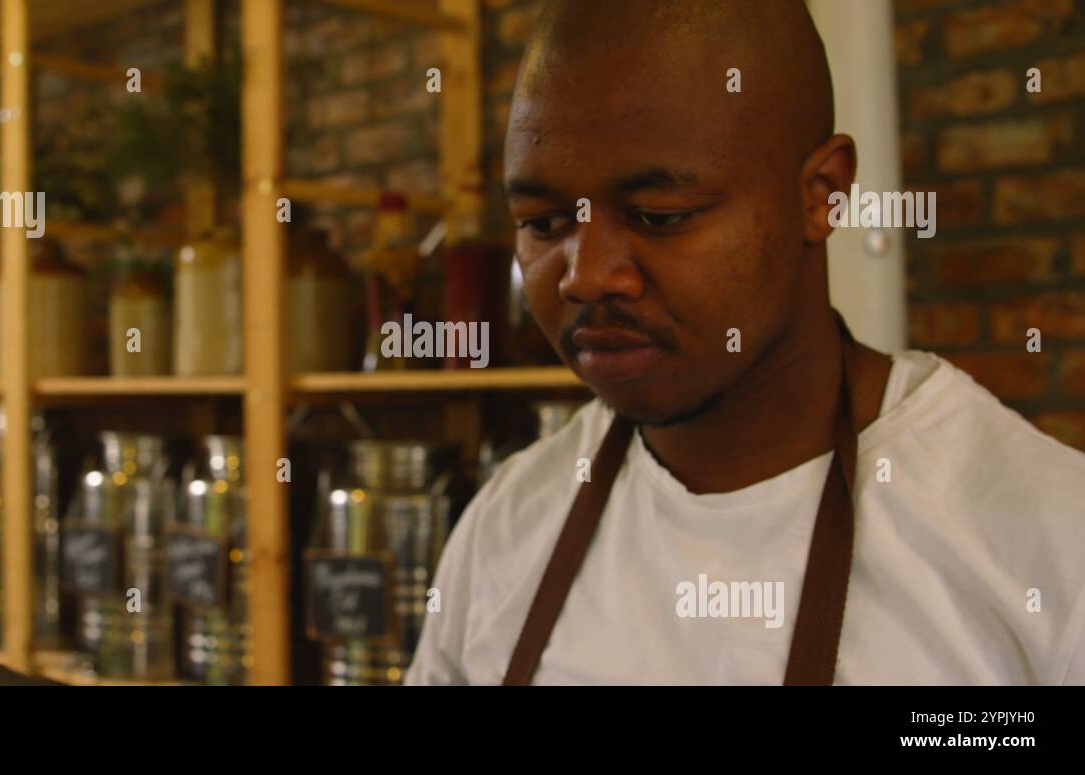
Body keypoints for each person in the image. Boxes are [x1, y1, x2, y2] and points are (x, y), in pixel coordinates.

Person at [405, 0, 1085, 685]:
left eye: (658, 216)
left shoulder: (1045, 548)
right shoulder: (505, 530)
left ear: (822, 195)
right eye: (545, 221)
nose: (585, 275)